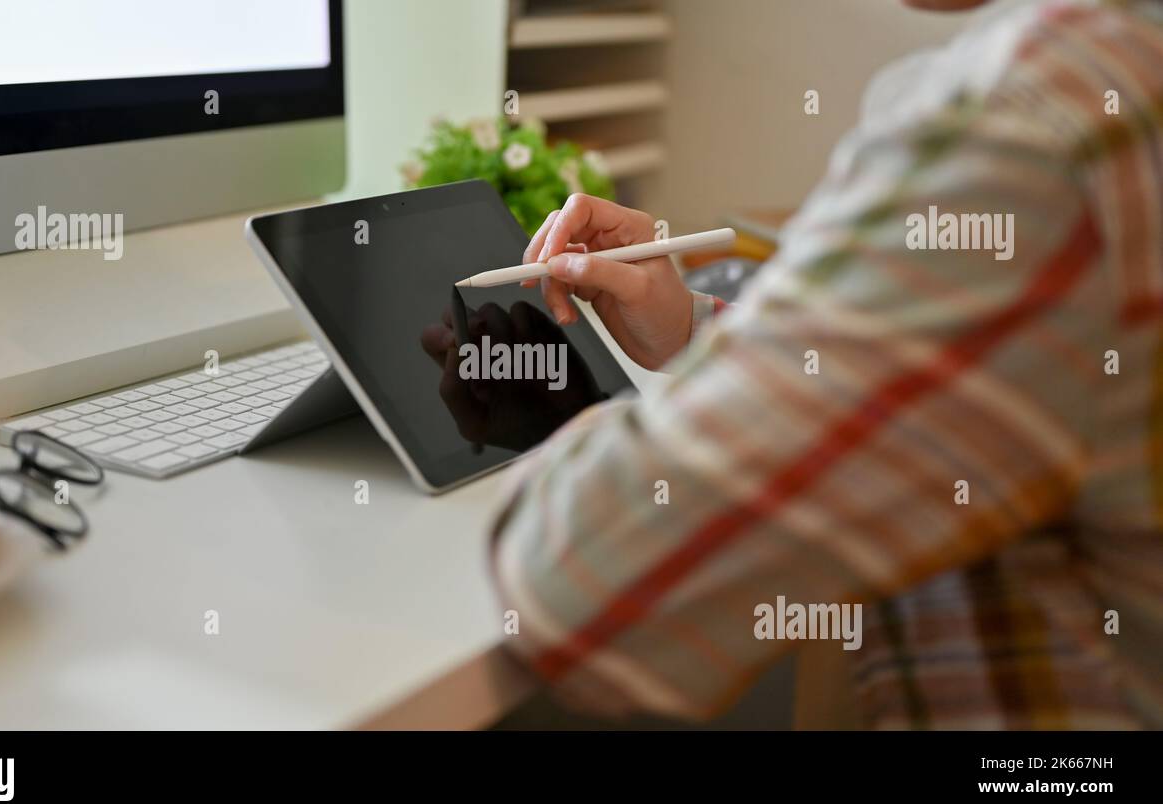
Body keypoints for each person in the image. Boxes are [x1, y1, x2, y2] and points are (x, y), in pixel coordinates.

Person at [489, 0, 1163, 729]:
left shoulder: (1029, 119)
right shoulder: (1127, 74)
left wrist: (568, 404)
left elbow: (574, 585)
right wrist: (693, 329)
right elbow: (991, 378)